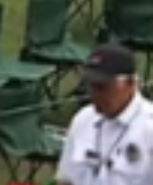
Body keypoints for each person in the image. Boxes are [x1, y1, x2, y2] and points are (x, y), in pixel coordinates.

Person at [55, 44, 153, 185]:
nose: (94, 94)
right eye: (89, 85)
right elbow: (66, 180)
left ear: (130, 84)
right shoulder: (83, 120)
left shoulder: (148, 128)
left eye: (101, 87)